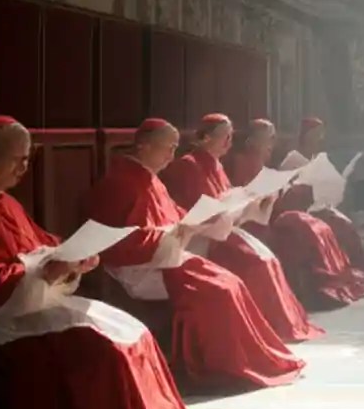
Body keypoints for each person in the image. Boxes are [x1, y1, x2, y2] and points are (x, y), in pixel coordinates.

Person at [0, 116, 219, 409]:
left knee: (136, 333)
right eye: (16, 158)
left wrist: (76, 255)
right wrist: (46, 270)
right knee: (105, 351)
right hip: (0, 317)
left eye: (26, 159)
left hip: (35, 302)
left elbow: (38, 243)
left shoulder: (6, 202)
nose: (23, 167)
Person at [88, 117, 312, 386]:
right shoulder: (122, 181)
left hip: (167, 255)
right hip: (141, 266)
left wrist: (193, 221)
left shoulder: (149, 176)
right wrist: (177, 231)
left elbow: (175, 213)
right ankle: (219, 365)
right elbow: (121, 240)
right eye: (167, 148)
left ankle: (246, 358)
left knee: (231, 282)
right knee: (219, 290)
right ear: (144, 146)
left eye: (174, 148)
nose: (172, 155)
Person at [163, 114, 362, 324]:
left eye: (231, 136)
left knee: (269, 258)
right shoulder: (189, 165)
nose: (229, 143)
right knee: (259, 262)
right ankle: (265, 320)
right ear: (205, 138)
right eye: (224, 137)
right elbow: (198, 207)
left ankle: (279, 317)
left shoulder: (217, 164)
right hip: (205, 235)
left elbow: (229, 197)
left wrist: (256, 198)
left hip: (229, 226)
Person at [223, 118, 364, 303]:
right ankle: (316, 287)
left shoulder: (260, 161)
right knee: (303, 227)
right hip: (258, 219)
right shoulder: (243, 162)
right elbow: (245, 195)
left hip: (277, 210)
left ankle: (331, 279)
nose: (272, 144)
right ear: (252, 141)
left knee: (318, 226)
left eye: (273, 138)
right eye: (268, 139)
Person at [275, 116, 364, 285]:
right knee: (336, 226)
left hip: (319, 205)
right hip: (302, 210)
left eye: (321, 134)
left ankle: (355, 267)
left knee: (345, 224)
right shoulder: (293, 159)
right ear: (307, 135)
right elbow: (287, 189)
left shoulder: (318, 157)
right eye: (316, 134)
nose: (320, 138)